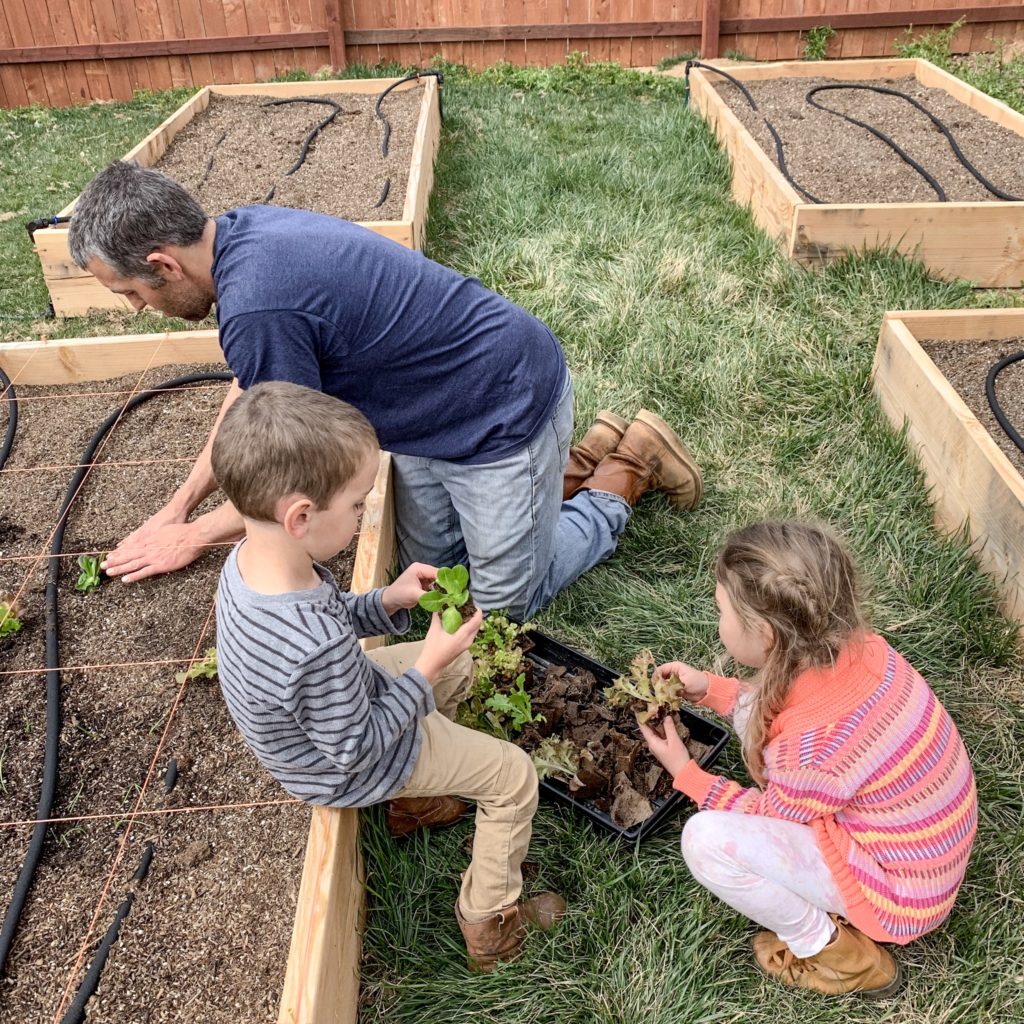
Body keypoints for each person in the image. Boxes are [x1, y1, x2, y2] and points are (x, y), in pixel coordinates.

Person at [67, 160, 703, 621]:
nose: (138, 308)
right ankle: (576, 457)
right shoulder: (240, 233)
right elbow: (251, 398)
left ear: (161, 264)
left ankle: (625, 474)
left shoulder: (259, 306)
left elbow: (287, 475)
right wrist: (180, 504)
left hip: (501, 408)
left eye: (130, 294)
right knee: (433, 574)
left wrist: (195, 536)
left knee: (500, 603)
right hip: (431, 415)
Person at [210, 380, 565, 970]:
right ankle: (490, 922)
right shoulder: (313, 646)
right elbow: (359, 745)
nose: (359, 515)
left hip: (334, 722)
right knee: (513, 776)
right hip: (348, 763)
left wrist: (388, 602)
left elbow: (331, 619)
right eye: (356, 505)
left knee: (460, 666)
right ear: (300, 516)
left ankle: (419, 802)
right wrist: (423, 668)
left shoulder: (254, 566)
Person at [638, 520, 977, 997]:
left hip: (901, 893)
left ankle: (837, 954)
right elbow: (781, 702)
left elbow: (770, 815)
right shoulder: (862, 652)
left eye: (721, 612)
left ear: (765, 635)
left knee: (704, 841)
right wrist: (713, 690)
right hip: (925, 849)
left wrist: (688, 776)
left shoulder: (810, 750)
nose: (718, 625)